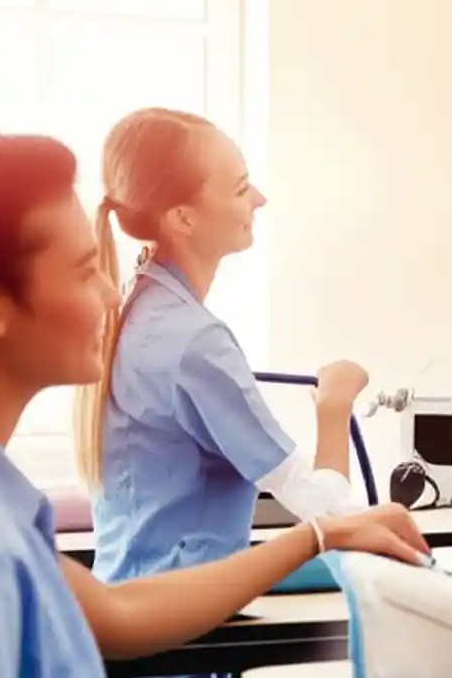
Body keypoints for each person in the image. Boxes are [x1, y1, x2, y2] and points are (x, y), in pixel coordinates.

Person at [0, 130, 431, 676]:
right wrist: (333, 406)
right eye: (84, 272)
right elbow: (321, 500)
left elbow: (116, 613)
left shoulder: (9, 507)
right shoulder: (191, 340)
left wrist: (319, 537)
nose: (107, 293)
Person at [74, 108, 369, 583]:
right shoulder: (193, 342)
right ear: (183, 218)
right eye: (239, 188)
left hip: (136, 596)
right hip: (176, 629)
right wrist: (334, 405)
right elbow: (325, 509)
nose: (260, 199)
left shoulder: (138, 311)